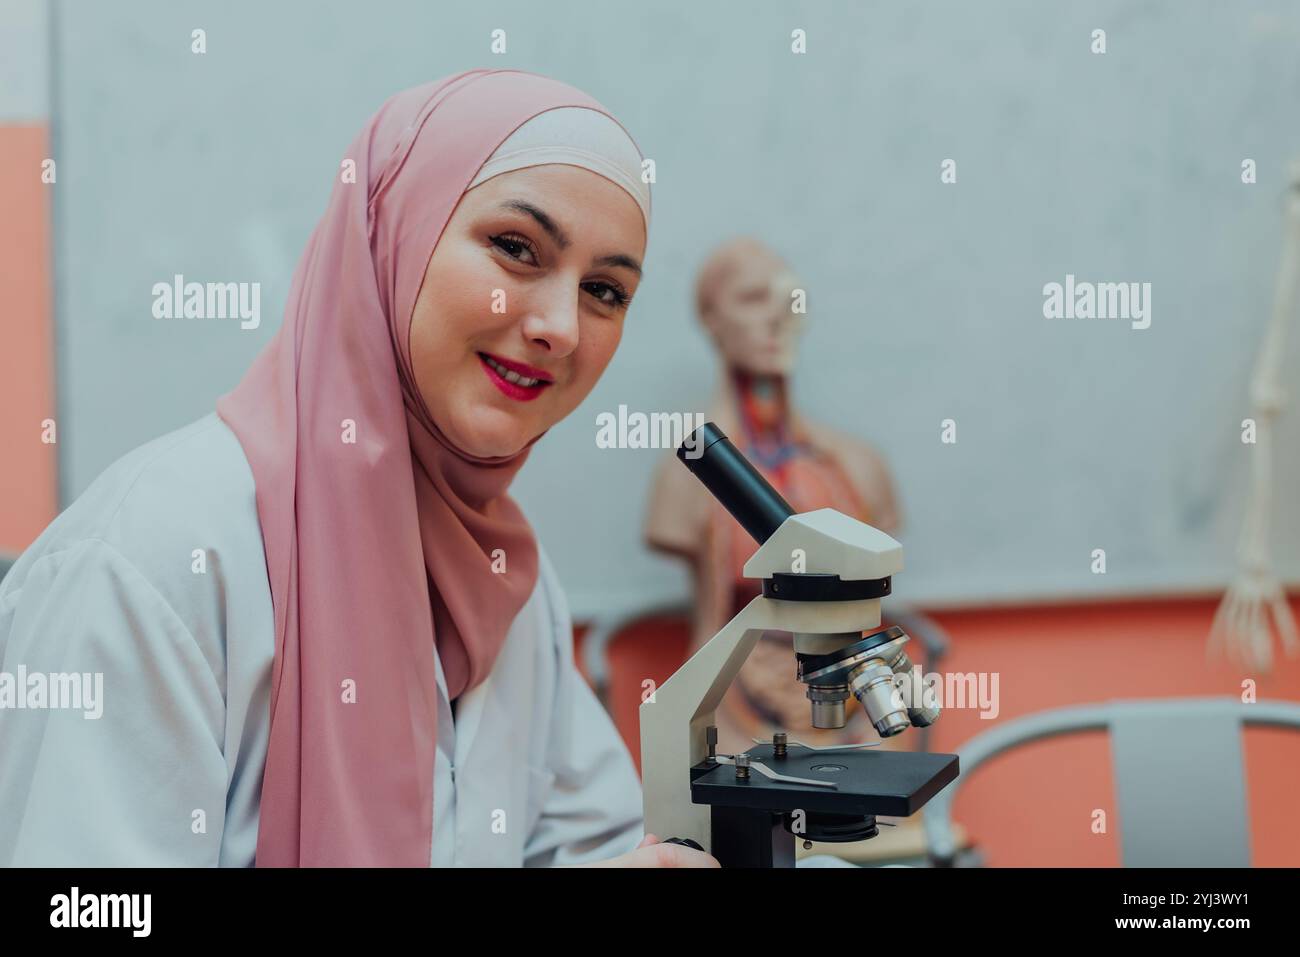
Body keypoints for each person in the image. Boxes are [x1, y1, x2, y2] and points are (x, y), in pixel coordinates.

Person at [0, 69, 716, 868]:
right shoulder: (154, 561)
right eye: (515, 248)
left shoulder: (509, 579)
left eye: (605, 291)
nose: (560, 326)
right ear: (391, 233)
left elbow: (579, 839)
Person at [645, 237, 902, 756]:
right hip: (734, 709)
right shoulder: (691, 473)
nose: (775, 318)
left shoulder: (858, 466)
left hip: (850, 707)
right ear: (712, 319)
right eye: (751, 299)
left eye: (786, 300)